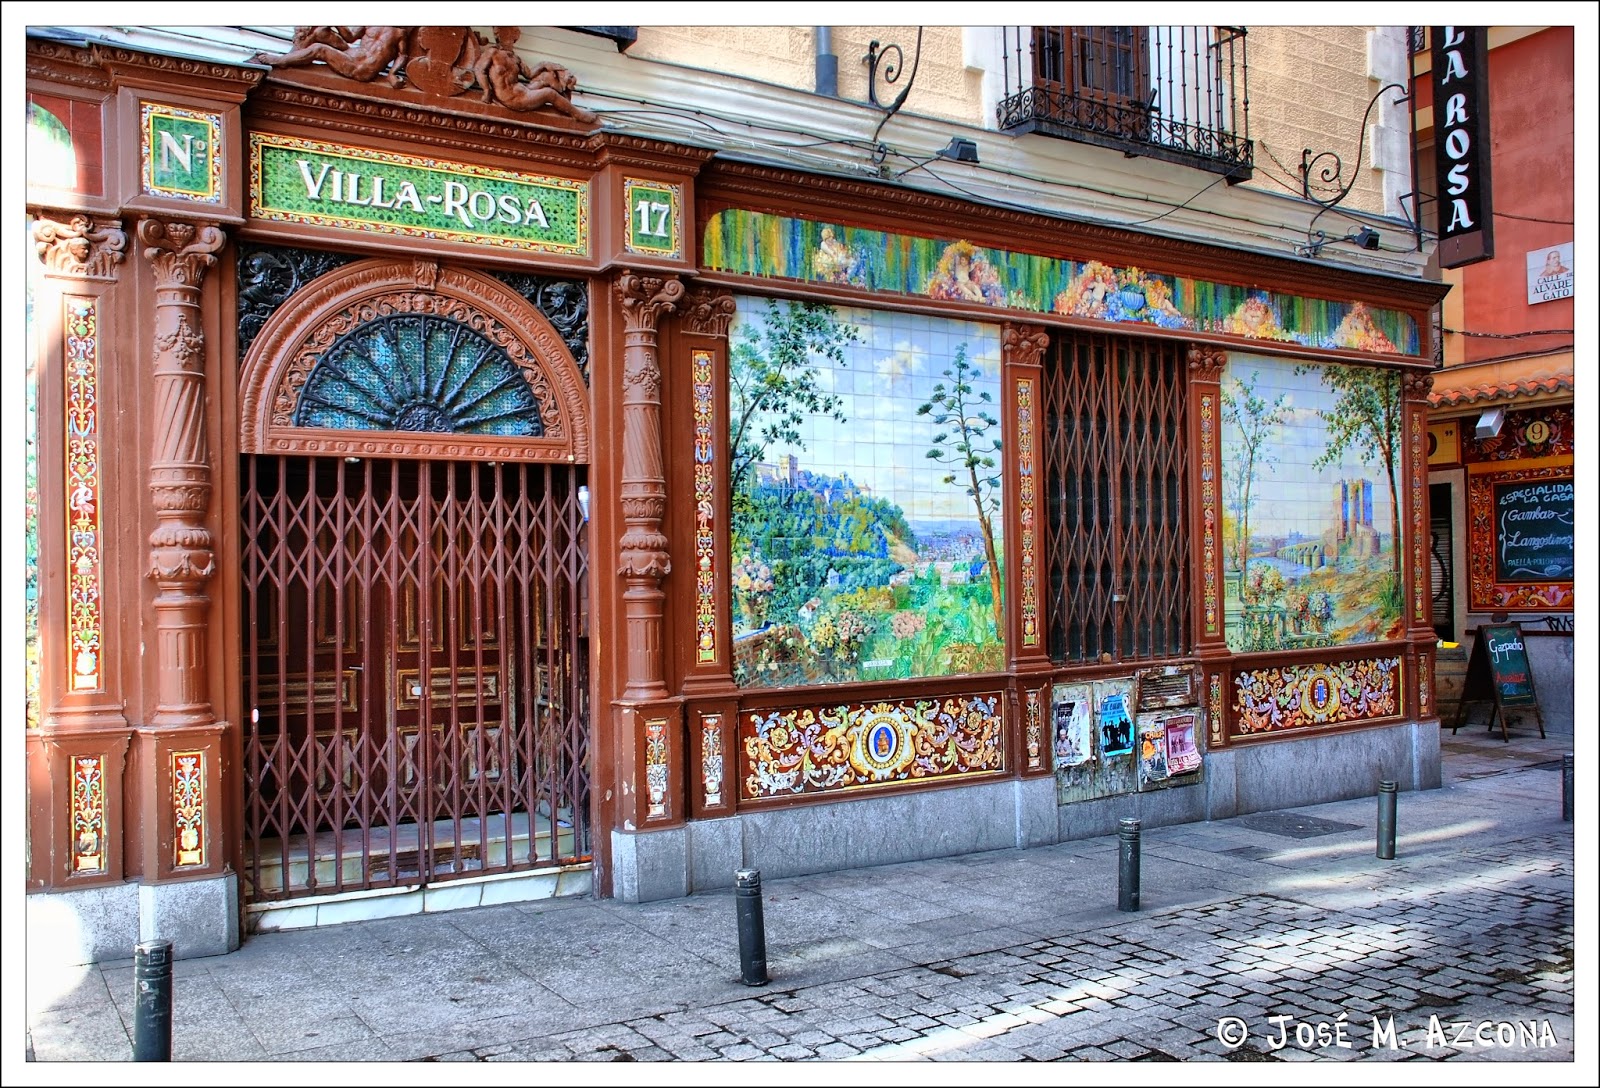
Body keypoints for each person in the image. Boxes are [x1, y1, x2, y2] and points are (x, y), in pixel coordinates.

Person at [472, 27, 597, 122]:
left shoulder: (515, 58)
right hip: (511, 98)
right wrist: (487, 90)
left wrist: (544, 64)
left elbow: (529, 74)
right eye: (504, 34)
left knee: (544, 79)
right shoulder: (492, 52)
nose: (508, 39)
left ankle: (565, 98)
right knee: (549, 93)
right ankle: (577, 114)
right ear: (498, 35)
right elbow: (479, 69)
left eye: (511, 35)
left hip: (523, 92)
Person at [254, 27, 413, 87]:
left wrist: (392, 74)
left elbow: (402, 55)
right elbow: (350, 37)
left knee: (319, 49)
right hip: (351, 55)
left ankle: (281, 61)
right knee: (322, 33)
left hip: (362, 68)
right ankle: (294, 56)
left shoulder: (400, 33)